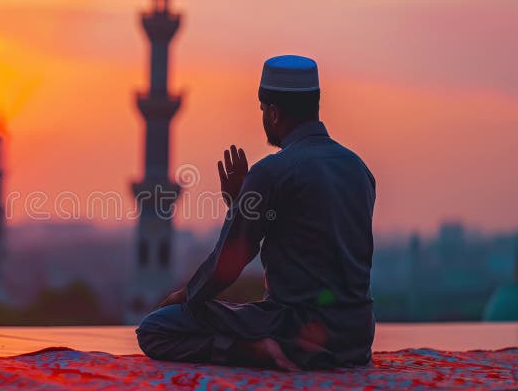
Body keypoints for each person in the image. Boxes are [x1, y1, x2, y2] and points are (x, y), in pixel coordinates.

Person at [136, 55, 376, 371]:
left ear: (274, 113)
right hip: (356, 337)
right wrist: (242, 202)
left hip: (296, 328)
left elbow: (229, 262)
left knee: (157, 328)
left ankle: (250, 351)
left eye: (263, 110)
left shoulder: (272, 173)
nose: (262, 117)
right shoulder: (359, 170)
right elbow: (309, 235)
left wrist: (185, 296)